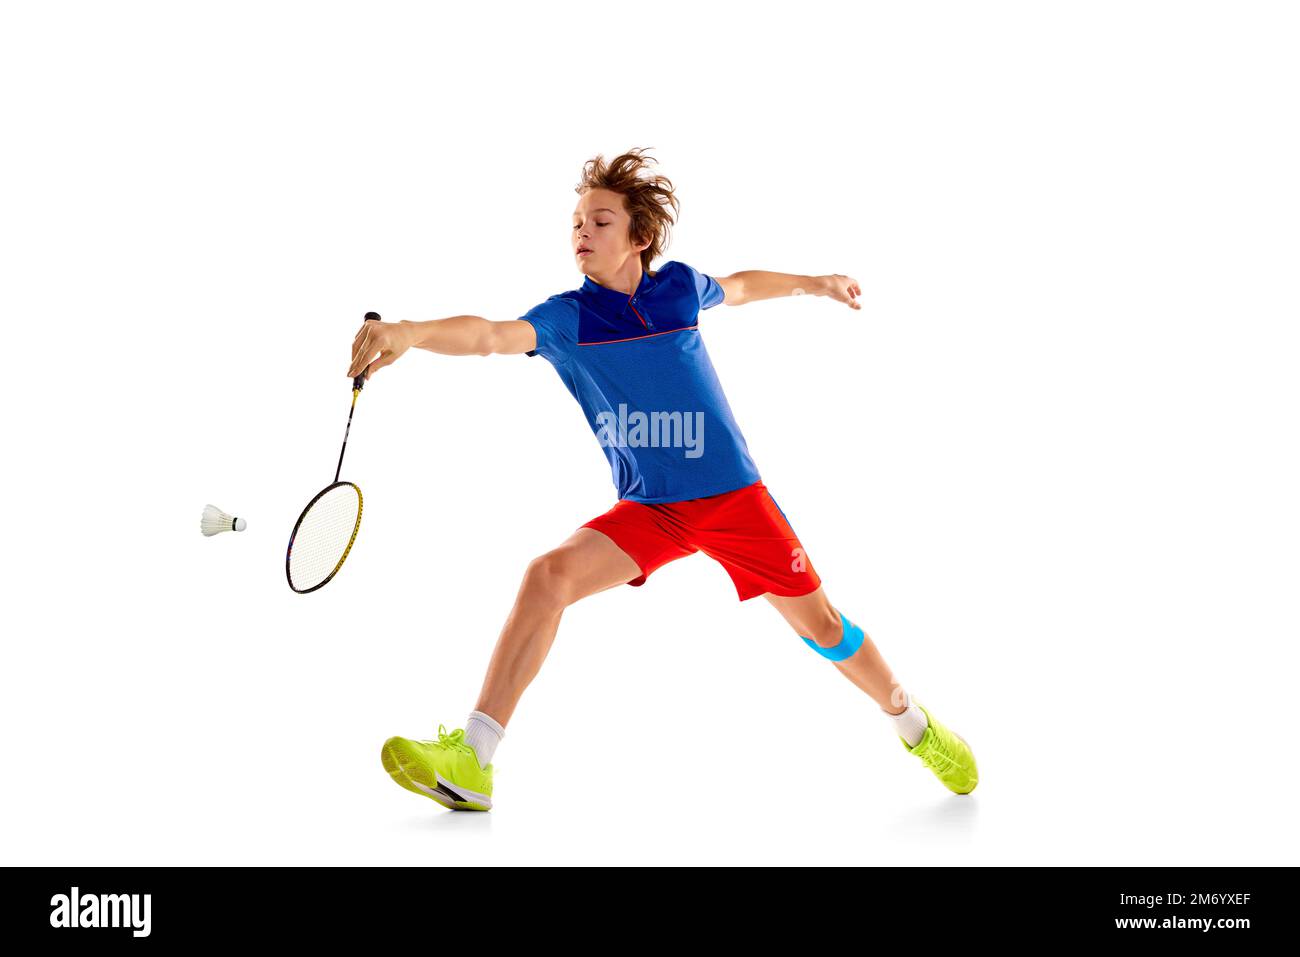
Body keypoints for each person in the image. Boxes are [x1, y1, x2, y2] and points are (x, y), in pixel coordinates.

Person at [351, 148, 978, 811]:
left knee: (823, 626)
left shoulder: (678, 288)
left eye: (599, 222)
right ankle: (473, 760)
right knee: (547, 575)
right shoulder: (571, 319)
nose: (581, 236)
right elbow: (490, 336)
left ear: (639, 238)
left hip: (735, 500)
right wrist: (411, 332)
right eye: (575, 224)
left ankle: (915, 724)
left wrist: (815, 282)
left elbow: (738, 285)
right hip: (653, 511)